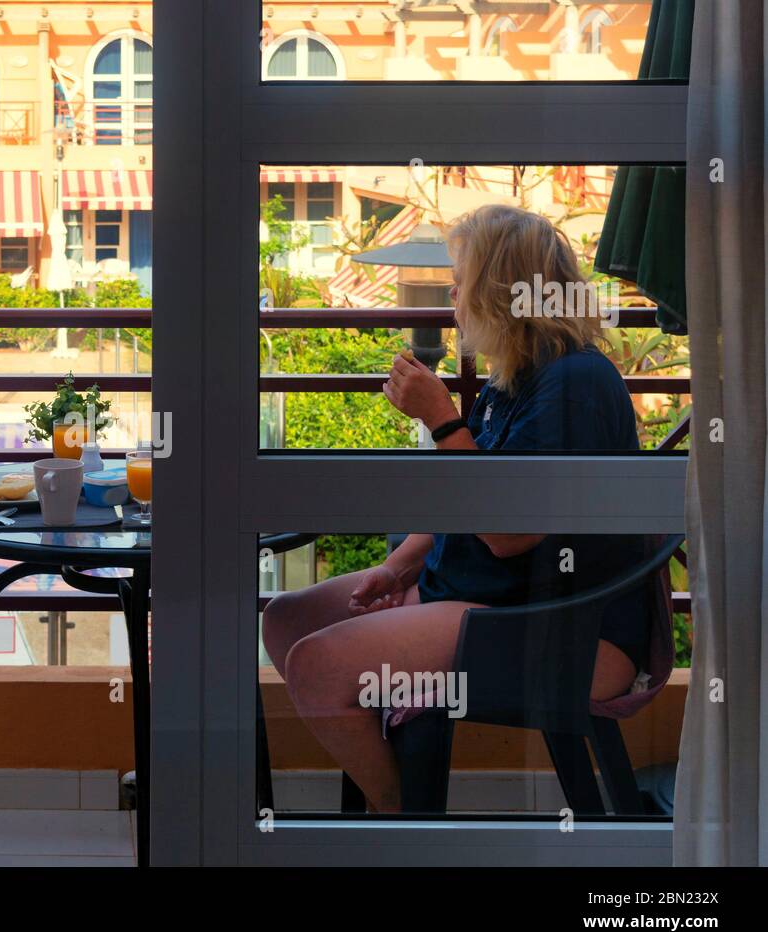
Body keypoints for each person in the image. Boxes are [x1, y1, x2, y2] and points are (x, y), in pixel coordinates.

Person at [262, 204, 644, 813]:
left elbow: (508, 532)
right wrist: (401, 566)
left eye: (461, 278)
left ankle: (403, 825)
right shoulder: (515, 377)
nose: (452, 293)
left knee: (316, 667)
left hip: (554, 623)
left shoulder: (575, 383)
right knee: (284, 619)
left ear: (500, 291)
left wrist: (441, 418)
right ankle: (408, 788)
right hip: (489, 597)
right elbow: (465, 504)